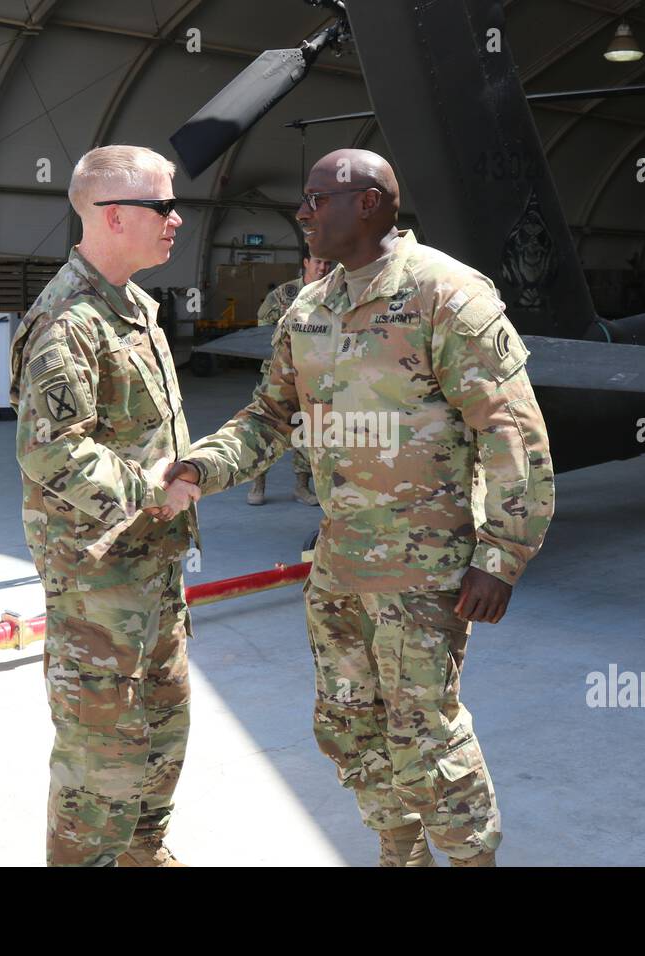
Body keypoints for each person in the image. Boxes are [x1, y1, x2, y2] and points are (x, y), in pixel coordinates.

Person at [165, 149, 554, 866]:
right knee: (346, 726)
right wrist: (199, 466)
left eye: (316, 198)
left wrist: (502, 555)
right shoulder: (309, 310)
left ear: (368, 203)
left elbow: (511, 433)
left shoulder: (447, 295)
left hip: (423, 571)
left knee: (425, 732)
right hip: (338, 565)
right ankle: (398, 851)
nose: (303, 213)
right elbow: (269, 418)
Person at [9, 145, 201, 867]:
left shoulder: (134, 307)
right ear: (116, 216)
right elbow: (51, 450)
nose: (177, 219)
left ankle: (144, 855)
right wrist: (154, 488)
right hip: (98, 587)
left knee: (161, 733)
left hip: (151, 569)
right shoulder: (69, 320)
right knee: (101, 761)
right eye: (163, 206)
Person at [247, 252, 333, 506]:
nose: (322, 267)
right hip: (278, 373)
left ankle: (301, 486)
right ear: (306, 263)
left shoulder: (335, 294)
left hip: (314, 375)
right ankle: (258, 482)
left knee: (308, 429)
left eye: (327, 262)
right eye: (318, 261)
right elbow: (262, 329)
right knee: (266, 424)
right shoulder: (285, 295)